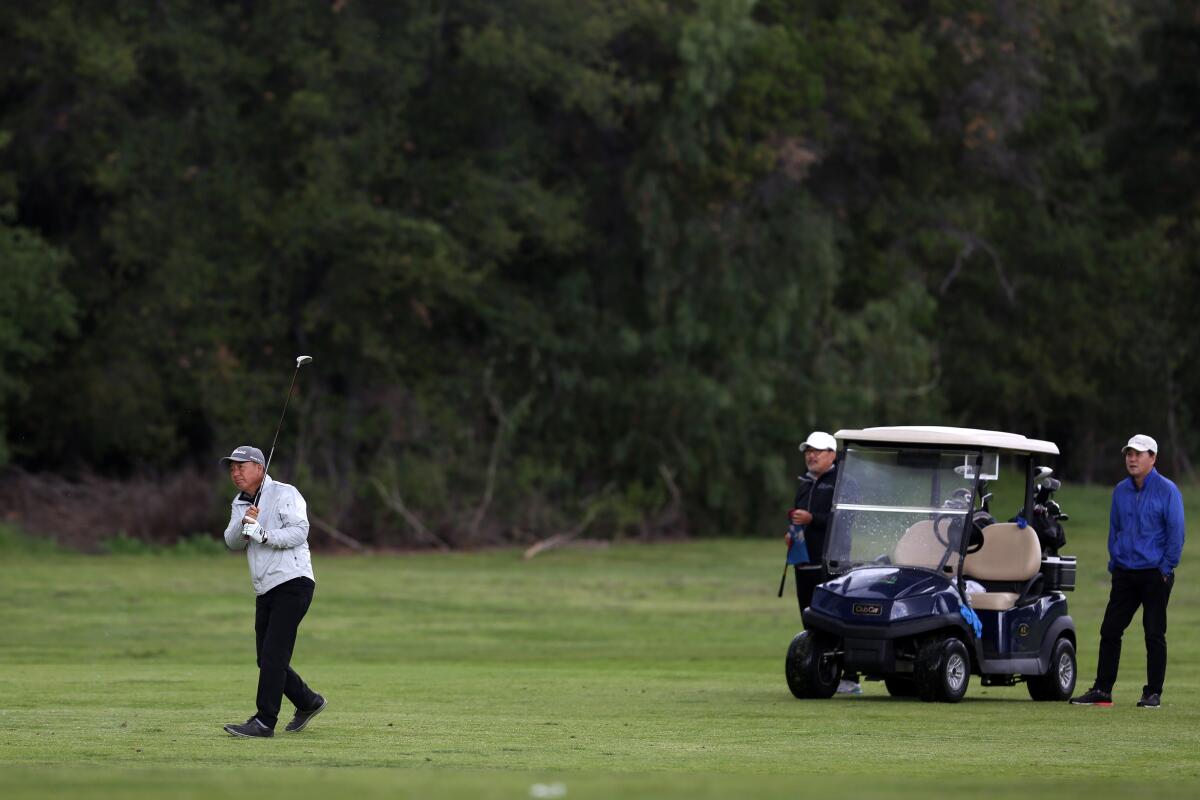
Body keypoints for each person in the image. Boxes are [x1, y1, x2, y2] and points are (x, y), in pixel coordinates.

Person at [220, 445, 327, 737]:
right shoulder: (240, 502)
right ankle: (308, 701)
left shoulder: (284, 492)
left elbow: (299, 531)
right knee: (265, 658)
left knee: (273, 656)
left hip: (294, 582)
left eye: (241, 466)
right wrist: (244, 524)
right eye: (232, 467)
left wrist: (263, 534)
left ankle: (265, 720)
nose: (235, 472)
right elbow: (233, 542)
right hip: (266, 587)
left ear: (259, 468)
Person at [1071, 434, 1185, 708]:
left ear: (1153, 458)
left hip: (1155, 573)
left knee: (1153, 632)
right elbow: (1115, 530)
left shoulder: (1168, 490)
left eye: (1138, 453)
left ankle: (1152, 693)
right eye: (1129, 453)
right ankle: (1102, 690)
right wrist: (1115, 562)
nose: (1132, 458)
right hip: (1125, 572)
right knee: (1110, 629)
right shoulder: (1120, 490)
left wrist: (1166, 568)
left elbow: (1176, 533)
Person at [785, 431, 859, 695]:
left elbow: (846, 521)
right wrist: (792, 534)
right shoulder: (804, 484)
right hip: (804, 564)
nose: (811, 455)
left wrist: (812, 520)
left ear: (832, 454)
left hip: (831, 564)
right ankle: (822, 674)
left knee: (835, 620)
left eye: (817, 451)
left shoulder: (843, 482)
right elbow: (798, 518)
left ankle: (849, 677)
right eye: (808, 451)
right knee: (810, 621)